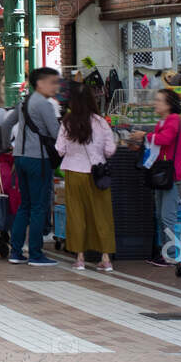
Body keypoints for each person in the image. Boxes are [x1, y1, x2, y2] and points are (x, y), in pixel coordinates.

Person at [56, 84, 116, 271]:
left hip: (74, 173)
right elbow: (110, 149)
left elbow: (60, 149)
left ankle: (80, 258)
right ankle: (105, 258)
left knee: (76, 214)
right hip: (97, 175)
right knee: (102, 214)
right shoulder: (100, 122)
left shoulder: (67, 122)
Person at [7, 68, 61, 265]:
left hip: (20, 157)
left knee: (25, 205)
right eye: (53, 82)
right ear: (40, 84)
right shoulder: (44, 104)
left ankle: (16, 251)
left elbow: (7, 123)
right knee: (39, 207)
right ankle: (36, 254)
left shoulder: (24, 102)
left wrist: (9, 146)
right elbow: (56, 133)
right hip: (38, 158)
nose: (56, 86)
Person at [145, 88, 181, 267]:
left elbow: (165, 139)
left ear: (169, 105)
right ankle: (163, 251)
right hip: (162, 174)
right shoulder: (162, 122)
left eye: (159, 100)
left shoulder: (174, 120)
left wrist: (146, 136)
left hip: (174, 174)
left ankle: (170, 254)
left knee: (167, 216)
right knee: (160, 214)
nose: (155, 103)